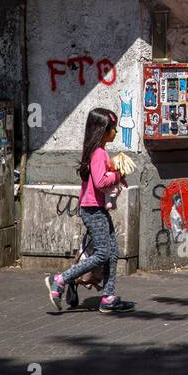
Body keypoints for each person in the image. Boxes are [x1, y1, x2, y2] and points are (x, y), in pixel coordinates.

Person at [45, 107, 133, 314]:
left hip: (97, 208)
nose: (116, 132)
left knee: (112, 252)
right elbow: (101, 182)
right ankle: (60, 279)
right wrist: (118, 175)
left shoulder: (99, 152)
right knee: (103, 253)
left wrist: (116, 173)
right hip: (92, 209)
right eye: (113, 128)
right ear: (102, 130)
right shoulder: (98, 153)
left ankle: (108, 296)